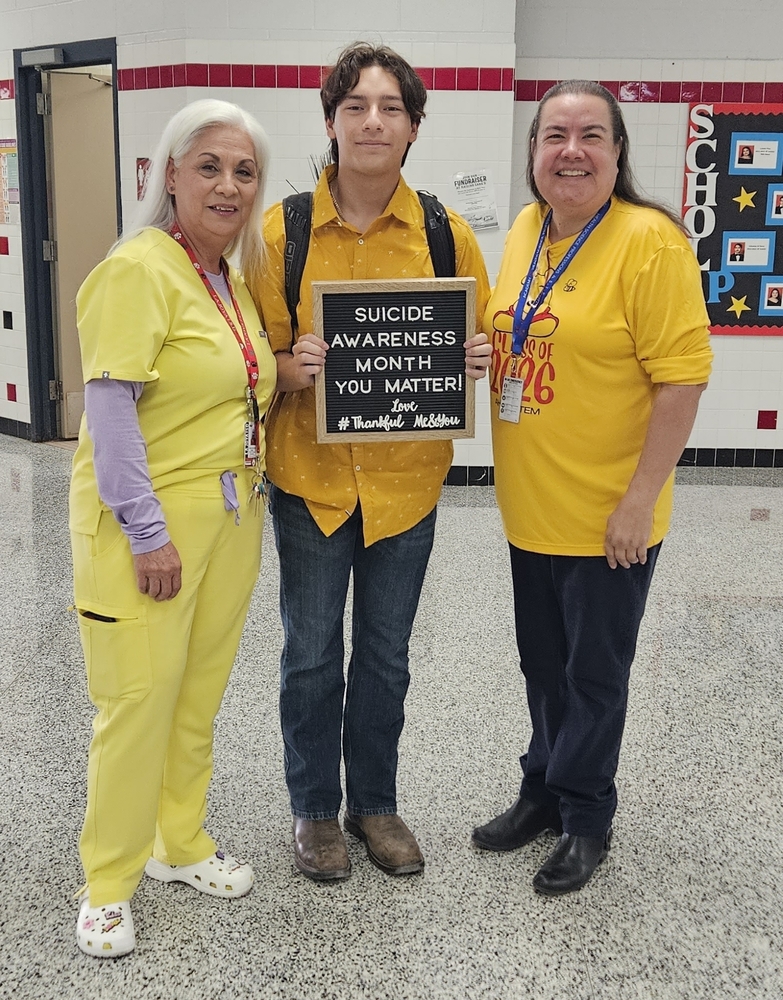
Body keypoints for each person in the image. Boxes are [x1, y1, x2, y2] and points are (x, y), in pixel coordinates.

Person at [251, 42, 491, 881]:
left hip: (404, 486)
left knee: (385, 657)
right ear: (330, 121)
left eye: (390, 108)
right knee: (310, 655)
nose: (372, 121)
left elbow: (474, 338)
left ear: (414, 127)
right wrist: (294, 367)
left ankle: (375, 805)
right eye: (355, 106)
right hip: (310, 486)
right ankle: (315, 812)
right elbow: (254, 360)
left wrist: (471, 358)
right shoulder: (277, 232)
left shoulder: (442, 232)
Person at [472, 80, 712, 896]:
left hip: (609, 514)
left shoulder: (650, 242)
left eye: (590, 135)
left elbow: (680, 380)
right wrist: (484, 358)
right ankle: (540, 786)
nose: (569, 150)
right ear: (533, 151)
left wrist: (638, 502)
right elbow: (524, 330)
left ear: (616, 153)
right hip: (530, 506)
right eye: (553, 136)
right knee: (541, 663)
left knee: (593, 675)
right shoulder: (527, 230)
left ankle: (585, 815)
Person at [69, 99, 275, 957]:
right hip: (150, 524)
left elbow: (227, 383)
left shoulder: (224, 274)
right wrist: (149, 532)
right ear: (166, 176)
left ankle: (178, 843)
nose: (227, 185)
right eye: (209, 167)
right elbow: (109, 411)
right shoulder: (139, 268)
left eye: (244, 171)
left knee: (195, 697)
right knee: (137, 704)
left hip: (233, 517)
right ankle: (106, 885)